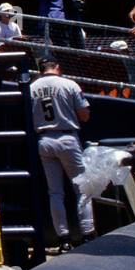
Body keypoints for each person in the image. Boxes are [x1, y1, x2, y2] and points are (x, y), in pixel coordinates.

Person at [29, 59, 95, 252]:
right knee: (82, 189)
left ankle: (63, 237)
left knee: (55, 192)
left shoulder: (32, 87)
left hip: (44, 139)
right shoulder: (69, 84)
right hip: (67, 137)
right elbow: (84, 115)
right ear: (57, 67)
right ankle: (88, 234)